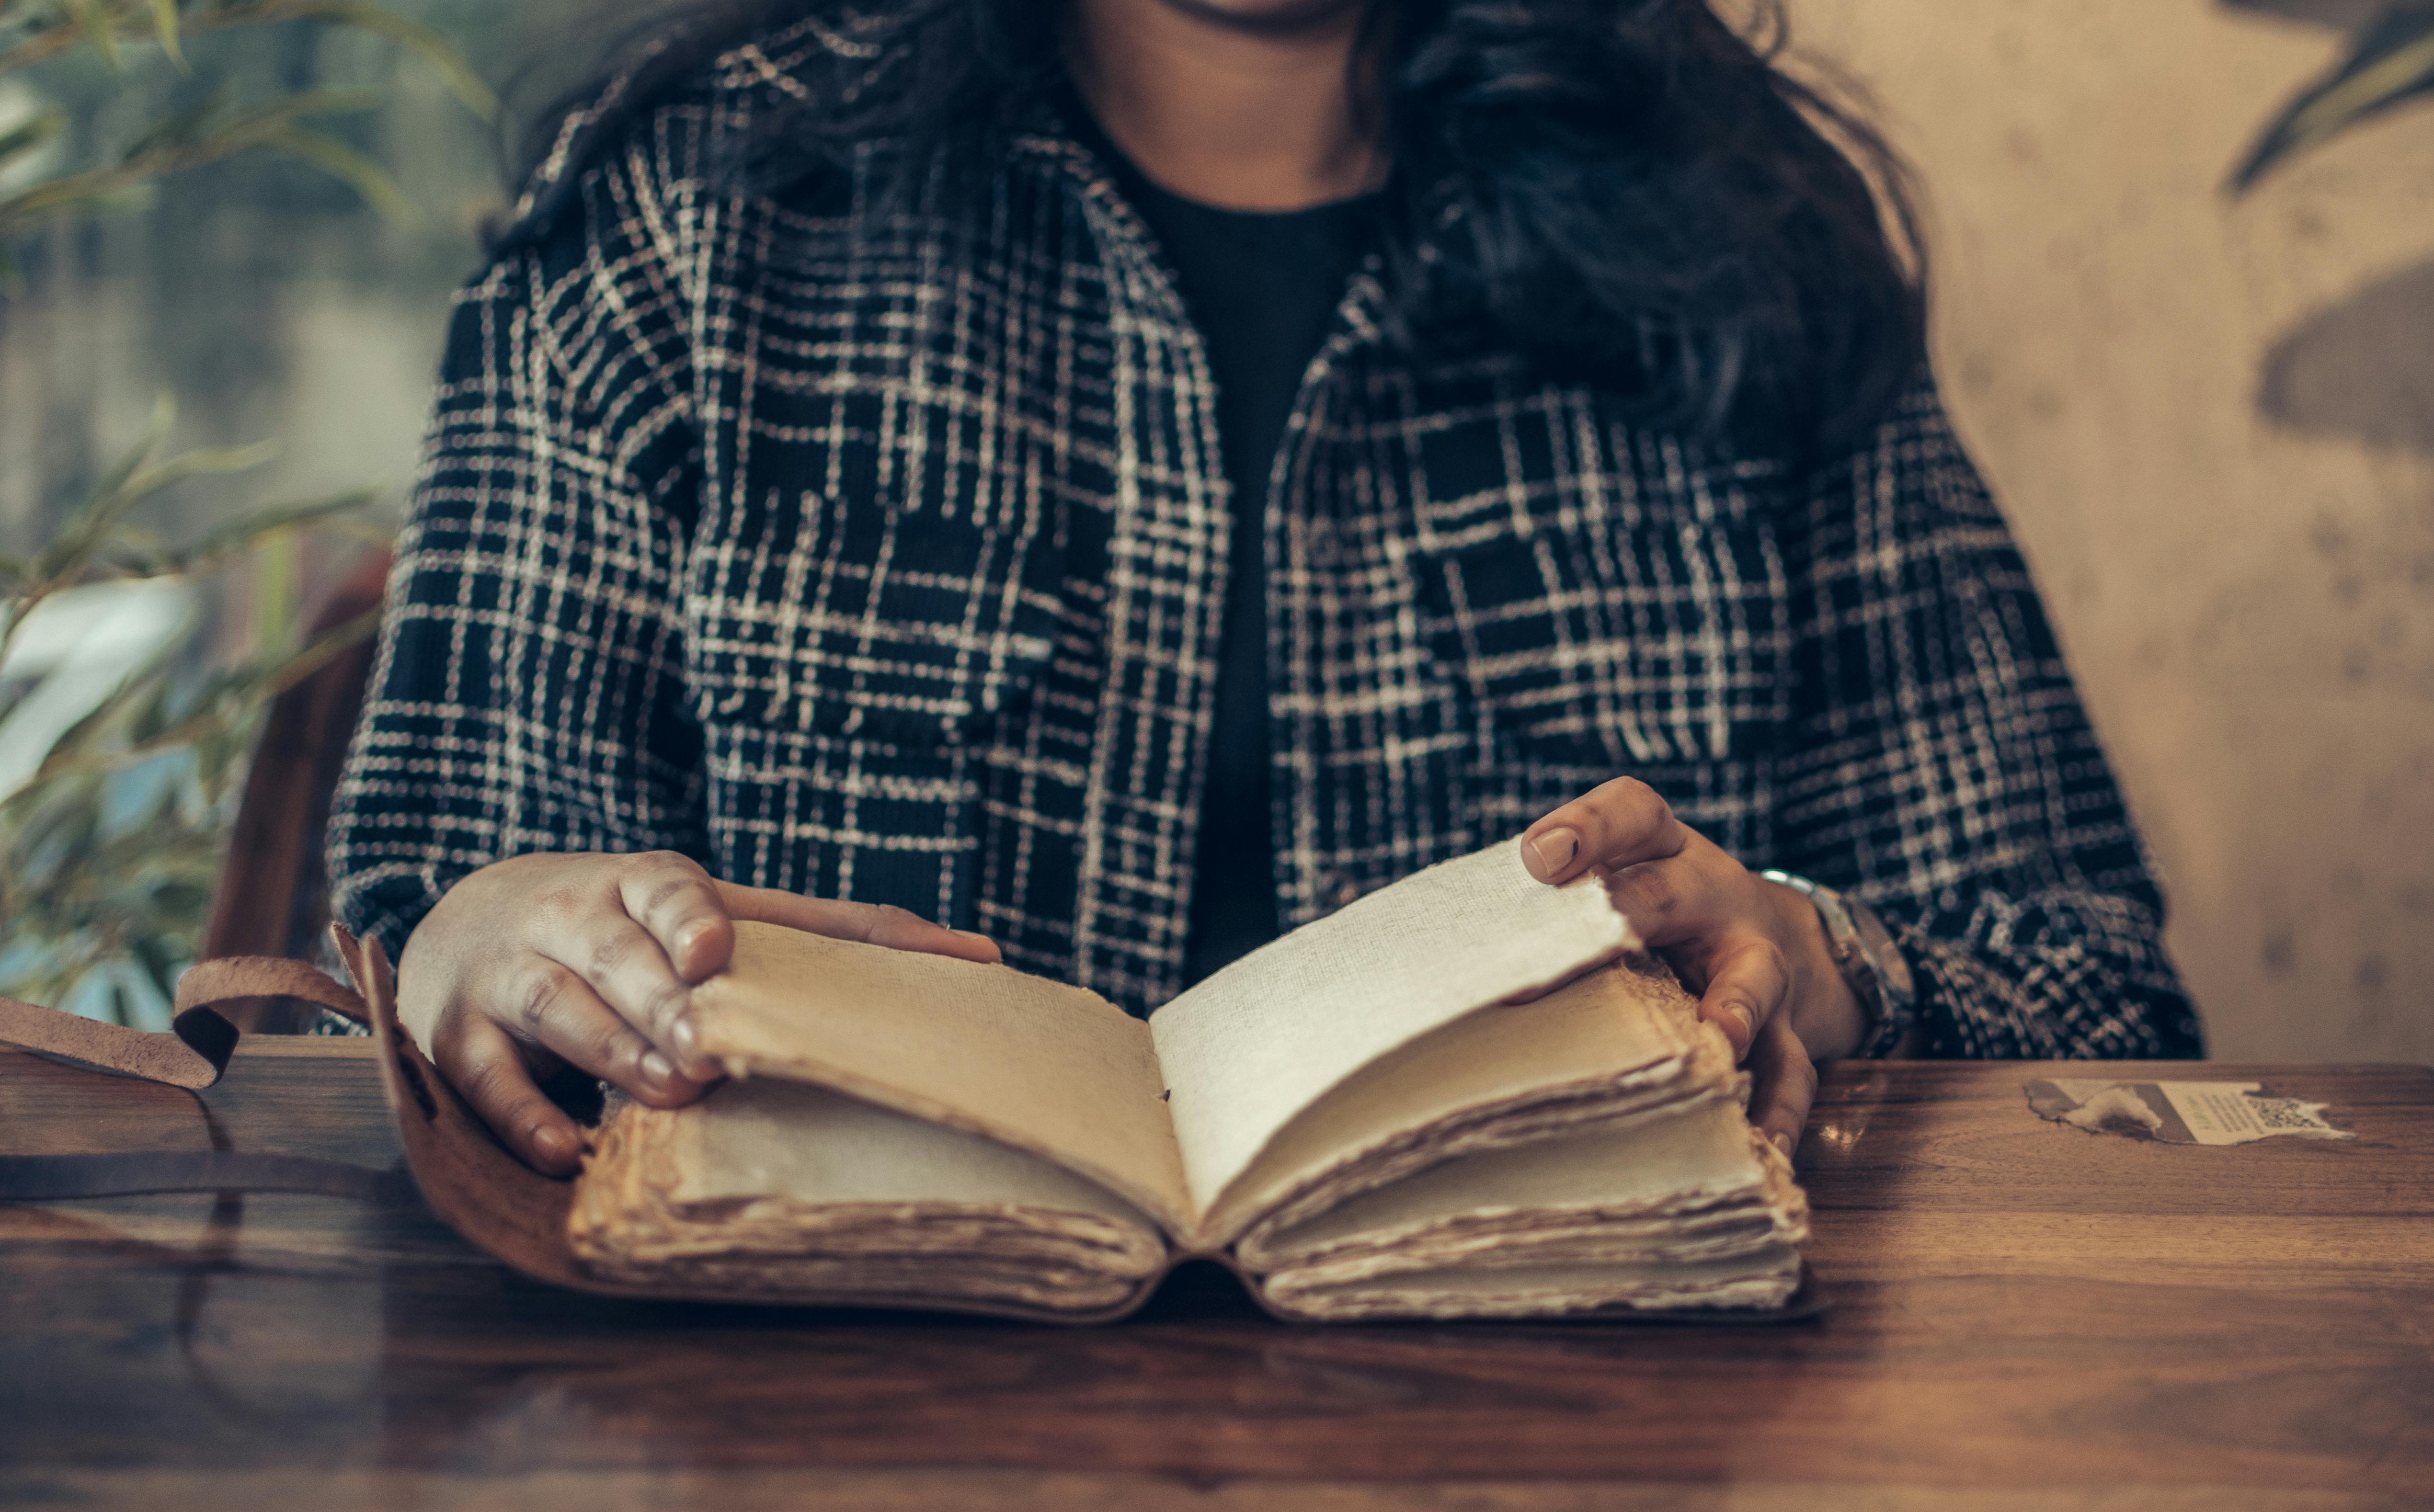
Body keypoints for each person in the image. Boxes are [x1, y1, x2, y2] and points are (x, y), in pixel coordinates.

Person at [326, 0, 2202, 1179]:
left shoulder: (1734, 247)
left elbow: (2094, 992)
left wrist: (1807, 951)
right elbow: (424, 938)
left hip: (1581, 1426)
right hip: (812, 1423)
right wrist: (473, 942)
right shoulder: (688, 220)